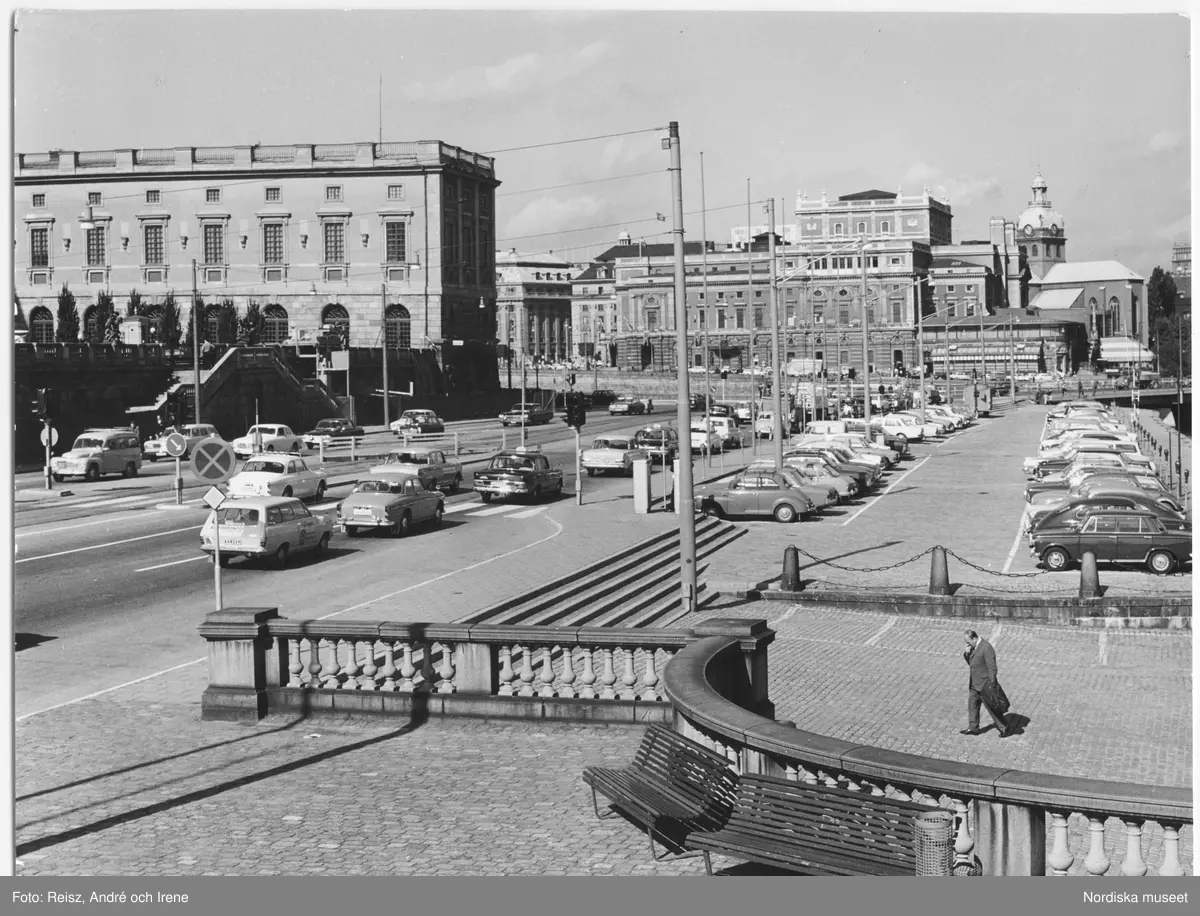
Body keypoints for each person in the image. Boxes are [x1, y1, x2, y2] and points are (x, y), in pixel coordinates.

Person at [961, 630, 1011, 737]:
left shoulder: (986, 648)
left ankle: (1004, 728)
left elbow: (992, 668)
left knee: (992, 707)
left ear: (974, 639)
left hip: (985, 684)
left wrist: (991, 685)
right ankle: (973, 728)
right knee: (972, 705)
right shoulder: (973, 647)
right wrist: (967, 653)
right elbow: (972, 663)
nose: (967, 644)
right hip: (974, 684)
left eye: (968, 642)